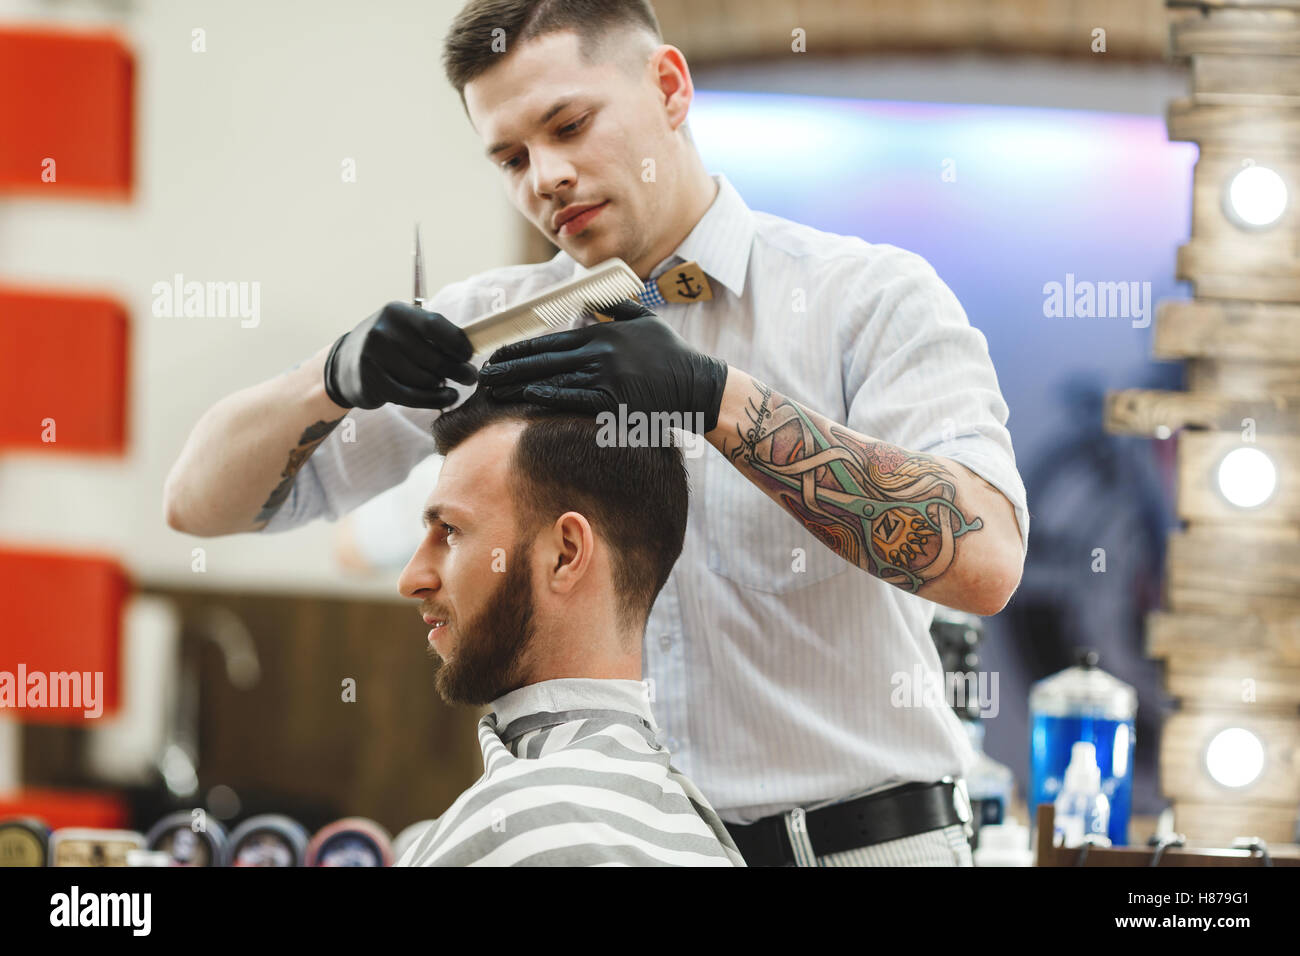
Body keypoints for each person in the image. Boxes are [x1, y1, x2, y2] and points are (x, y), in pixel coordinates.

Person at [165, 0, 1029, 866]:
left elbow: (984, 560)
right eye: (510, 157)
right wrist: (333, 376)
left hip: (859, 849)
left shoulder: (865, 301)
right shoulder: (485, 334)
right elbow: (201, 505)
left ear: (669, 87)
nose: (545, 176)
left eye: (569, 125)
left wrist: (715, 400)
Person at [392, 387, 742, 866]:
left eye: (449, 531)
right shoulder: (689, 824)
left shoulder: (523, 828)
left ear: (566, 554)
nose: (412, 579)